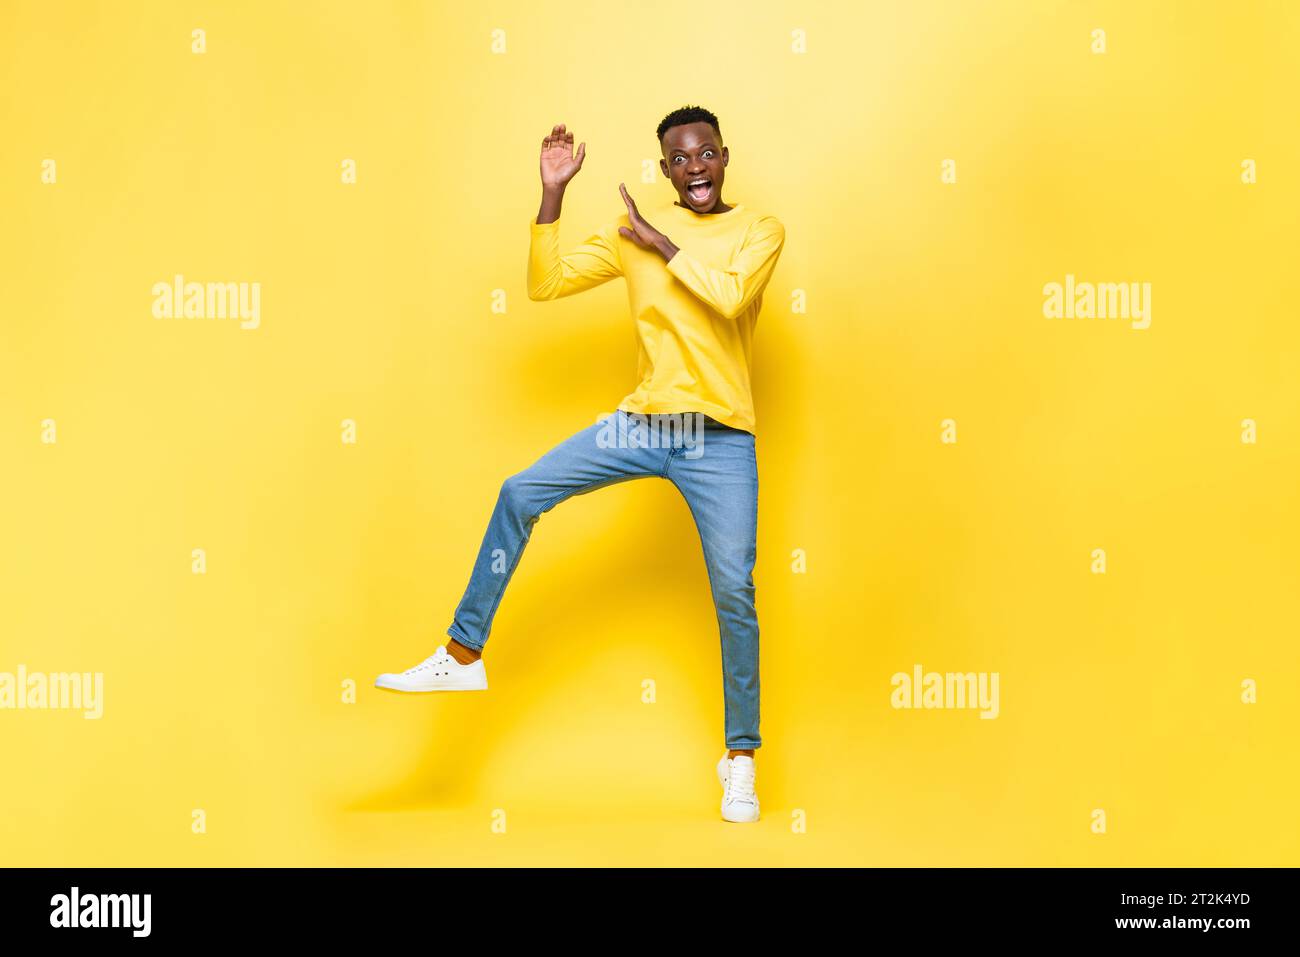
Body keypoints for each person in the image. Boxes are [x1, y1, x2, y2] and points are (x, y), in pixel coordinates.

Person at [376, 106, 786, 823]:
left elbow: (728, 299)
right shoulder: (632, 238)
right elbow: (547, 283)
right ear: (666, 169)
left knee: (733, 591)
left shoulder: (758, 231)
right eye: (680, 160)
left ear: (725, 157)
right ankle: (463, 653)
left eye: (706, 154)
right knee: (520, 492)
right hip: (643, 424)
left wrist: (662, 243)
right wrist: (553, 195)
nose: (694, 168)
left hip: (719, 438)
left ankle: (740, 758)